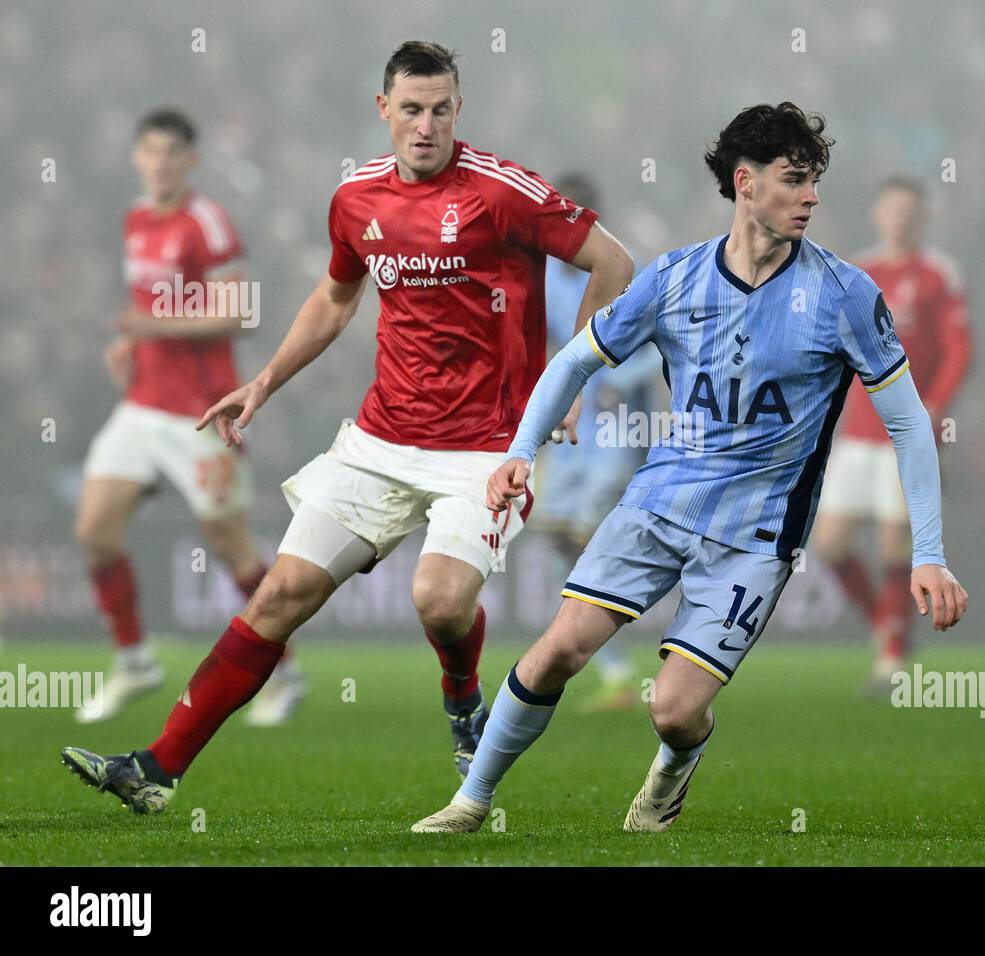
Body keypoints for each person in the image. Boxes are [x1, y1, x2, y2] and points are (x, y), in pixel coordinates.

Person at [61, 40, 633, 813]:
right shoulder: (356, 199)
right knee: (279, 595)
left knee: (438, 600)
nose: (424, 126)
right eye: (410, 110)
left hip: (486, 448)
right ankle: (154, 770)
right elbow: (334, 301)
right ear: (383, 111)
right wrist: (262, 382)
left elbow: (613, 262)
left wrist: (573, 373)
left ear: (457, 110)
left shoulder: (503, 191)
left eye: (439, 110)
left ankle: (462, 700)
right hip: (380, 439)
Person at [411, 102, 968, 834]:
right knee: (558, 652)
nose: (813, 197)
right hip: (659, 504)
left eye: (815, 182)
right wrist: (521, 452)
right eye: (795, 181)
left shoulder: (844, 295)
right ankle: (470, 801)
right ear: (745, 183)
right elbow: (574, 359)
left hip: (756, 534)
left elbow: (907, 422)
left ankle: (676, 765)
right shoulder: (675, 278)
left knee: (671, 710)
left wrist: (928, 552)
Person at [75, 108, 305, 727]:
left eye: (172, 153)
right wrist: (133, 341)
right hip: (142, 406)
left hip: (202, 413)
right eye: (150, 151)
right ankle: (134, 659)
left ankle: (284, 673)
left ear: (190, 160)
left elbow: (240, 312)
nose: (160, 163)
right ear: (137, 156)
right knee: (95, 530)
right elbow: (145, 301)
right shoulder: (134, 219)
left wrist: (152, 326)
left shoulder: (207, 223)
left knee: (229, 546)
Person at [811, 177, 971, 692]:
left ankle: (894, 655)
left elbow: (958, 349)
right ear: (878, 213)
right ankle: (884, 622)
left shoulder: (937, 274)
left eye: (909, 209)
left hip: (908, 434)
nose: (900, 217)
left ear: (921, 216)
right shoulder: (858, 272)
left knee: (893, 543)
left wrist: (935, 407)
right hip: (858, 432)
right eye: (892, 208)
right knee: (829, 543)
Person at [531, 173, 664, 712]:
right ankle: (614, 663)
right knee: (561, 536)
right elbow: (544, 344)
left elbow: (657, 345)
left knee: (585, 533)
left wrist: (624, 388)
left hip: (615, 432)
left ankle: (620, 644)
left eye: (579, 217)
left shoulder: (619, 268)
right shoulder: (543, 277)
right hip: (570, 433)